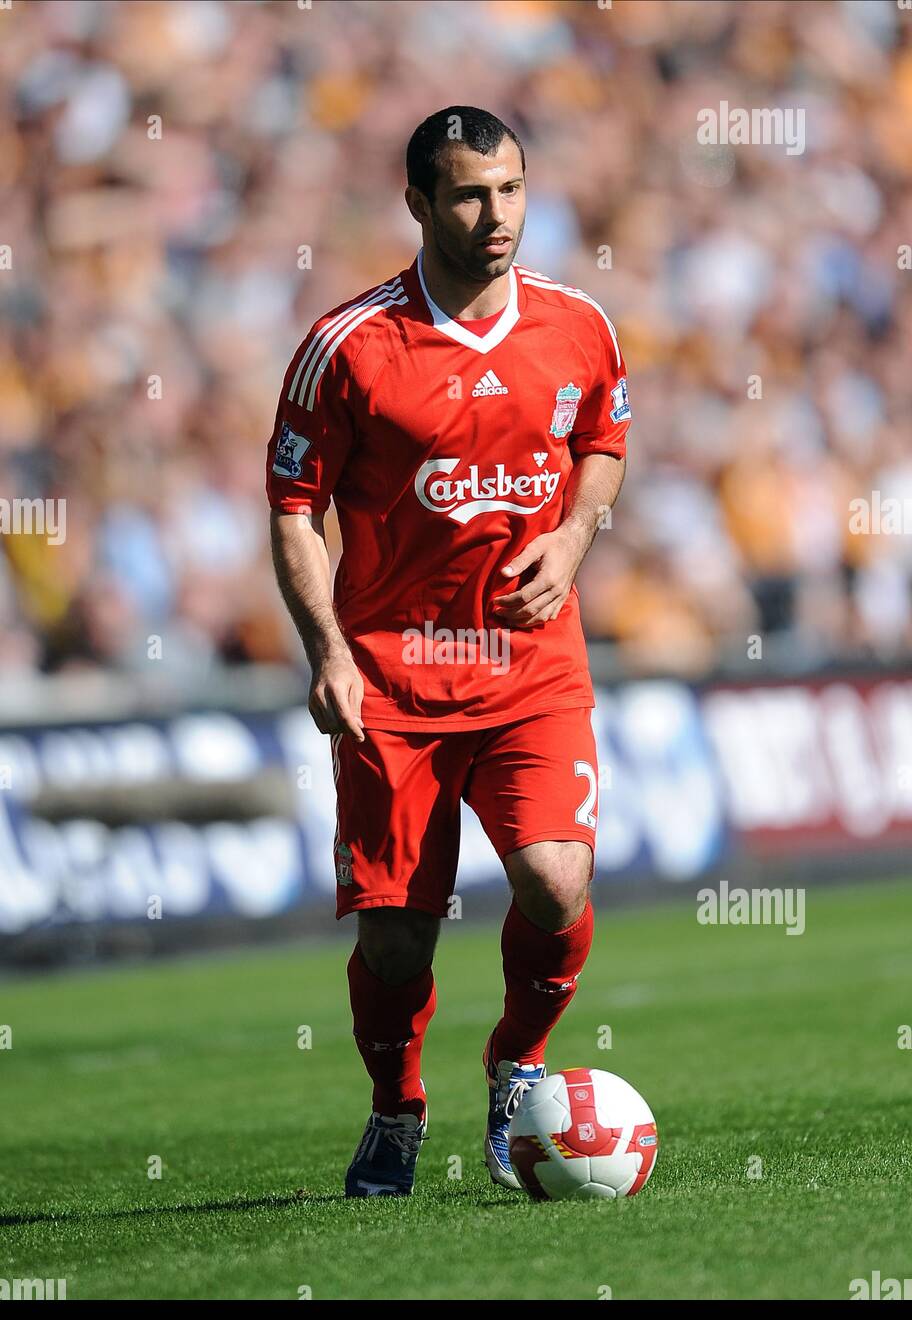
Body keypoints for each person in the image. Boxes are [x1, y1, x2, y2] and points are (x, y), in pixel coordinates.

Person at [268, 106, 630, 1196]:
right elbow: (294, 508)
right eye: (470, 195)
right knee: (396, 946)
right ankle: (396, 1106)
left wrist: (571, 536)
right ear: (419, 203)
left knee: (556, 882)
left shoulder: (578, 326)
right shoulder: (350, 348)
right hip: (395, 684)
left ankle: (518, 1064)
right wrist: (327, 648)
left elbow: (603, 440)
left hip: (532, 671)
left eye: (512, 189)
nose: (496, 215)